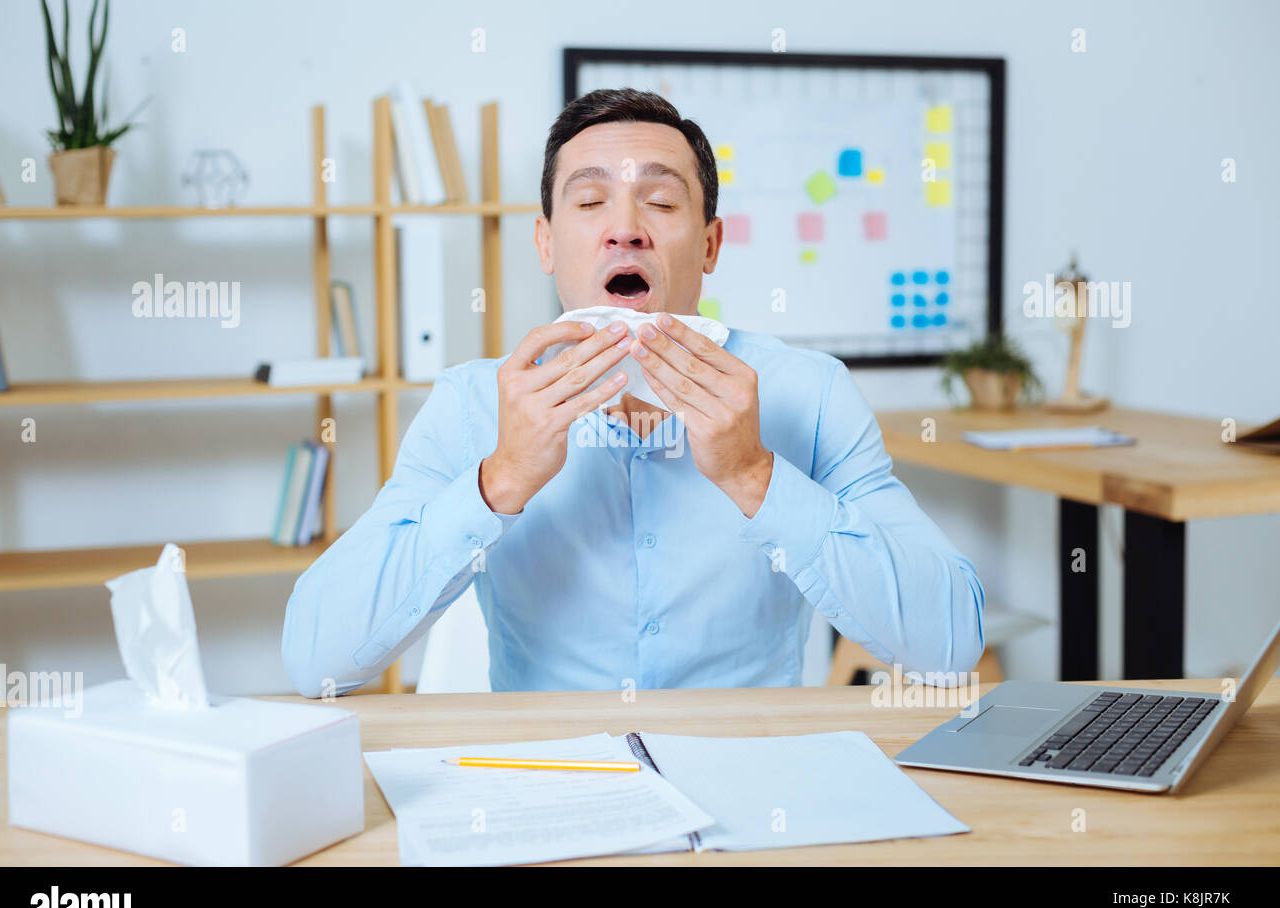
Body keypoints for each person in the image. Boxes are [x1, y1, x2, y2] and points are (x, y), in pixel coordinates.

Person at [282, 88, 985, 696]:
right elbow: (315, 659)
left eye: (659, 200)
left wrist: (754, 475)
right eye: (590, 201)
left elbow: (949, 648)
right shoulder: (472, 404)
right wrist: (500, 479)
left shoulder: (810, 393)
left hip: (752, 782)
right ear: (546, 243)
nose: (625, 229)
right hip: (554, 785)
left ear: (709, 245)